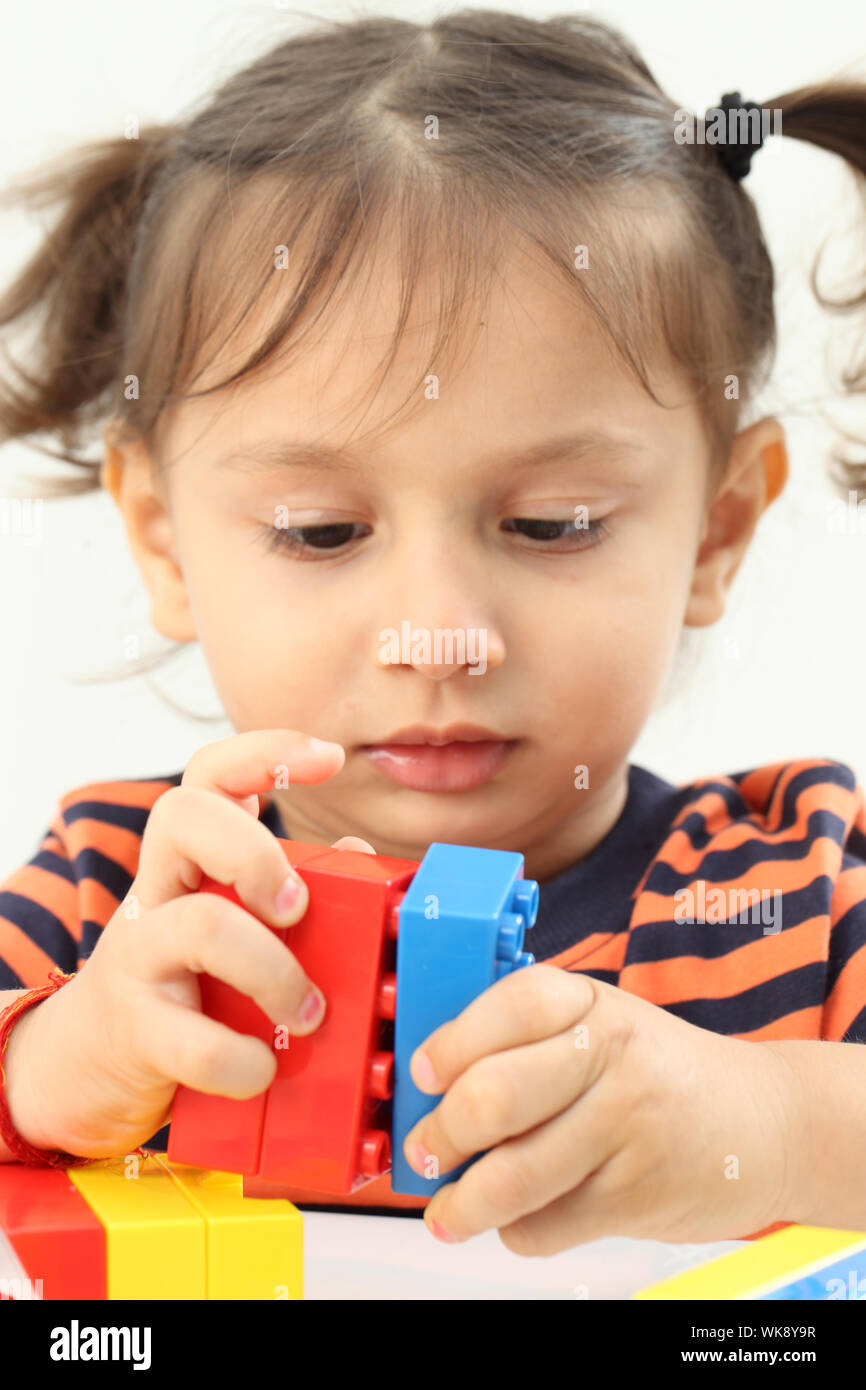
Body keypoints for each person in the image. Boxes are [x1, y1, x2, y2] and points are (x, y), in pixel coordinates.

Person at [1, 10, 865, 1255]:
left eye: (552, 523)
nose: (437, 638)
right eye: (317, 532)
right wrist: (45, 1065)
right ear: (164, 540)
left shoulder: (798, 899)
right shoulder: (122, 900)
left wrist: (771, 1122)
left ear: (716, 529)